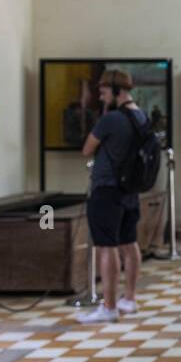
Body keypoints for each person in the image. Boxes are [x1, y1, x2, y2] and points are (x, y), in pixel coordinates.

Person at [78, 68, 147, 322]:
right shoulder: (140, 117)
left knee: (106, 247)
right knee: (129, 243)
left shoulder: (111, 119)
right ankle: (129, 298)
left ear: (116, 91)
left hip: (107, 189)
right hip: (130, 190)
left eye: (103, 90)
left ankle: (108, 306)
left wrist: (104, 118)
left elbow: (87, 148)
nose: (99, 94)